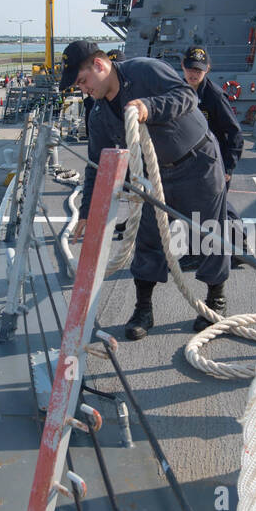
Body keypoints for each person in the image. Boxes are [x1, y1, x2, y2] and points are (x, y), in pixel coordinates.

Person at [64, 40, 230, 338]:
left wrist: (148, 107)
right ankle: (143, 307)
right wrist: (87, 213)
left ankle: (215, 296)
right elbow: (96, 166)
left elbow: (186, 97)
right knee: (147, 238)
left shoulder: (145, 71)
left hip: (198, 165)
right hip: (154, 179)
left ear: (99, 66)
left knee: (210, 232)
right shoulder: (99, 116)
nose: (83, 89)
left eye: (83, 81)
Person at [180, 46, 247, 268]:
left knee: (216, 208)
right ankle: (234, 250)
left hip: (214, 162)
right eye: (190, 69)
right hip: (190, 161)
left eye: (198, 70)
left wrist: (228, 167)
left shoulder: (214, 96)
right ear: (183, 66)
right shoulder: (179, 91)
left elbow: (235, 132)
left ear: (207, 69)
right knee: (198, 207)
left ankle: (238, 249)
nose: (193, 74)